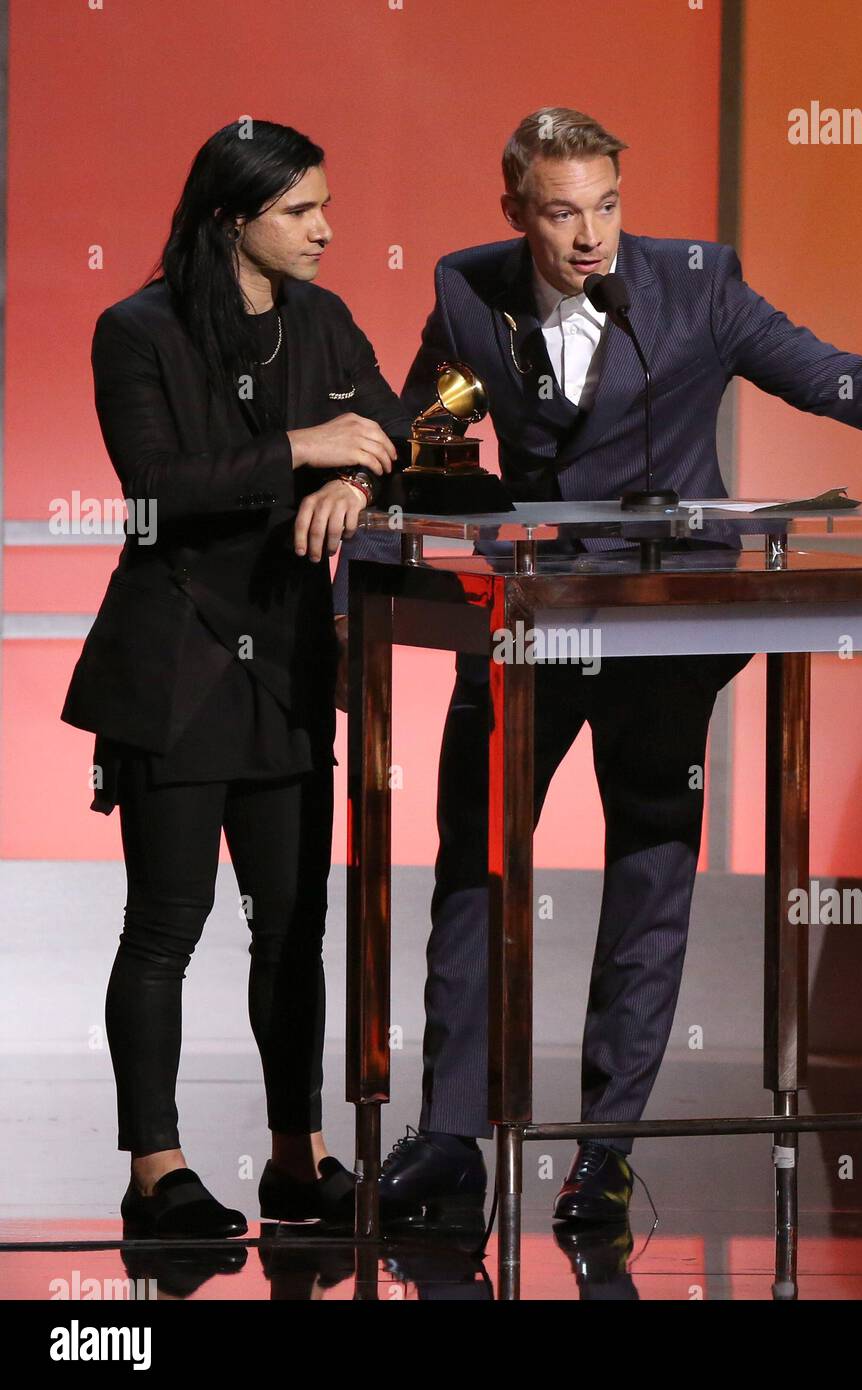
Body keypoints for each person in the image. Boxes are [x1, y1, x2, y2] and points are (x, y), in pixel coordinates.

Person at [333, 106, 862, 1227]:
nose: (590, 236)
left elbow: (826, 375)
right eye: (563, 211)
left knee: (651, 868)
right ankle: (451, 1141)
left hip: (668, 624)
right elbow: (423, 421)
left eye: (607, 206)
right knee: (471, 864)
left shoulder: (696, 283)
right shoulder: (468, 289)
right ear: (515, 206)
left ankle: (604, 1152)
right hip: (524, 617)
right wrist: (358, 467)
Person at [60, 118, 411, 1238]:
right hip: (173, 657)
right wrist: (308, 449)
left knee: (294, 923)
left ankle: (297, 1157)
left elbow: (391, 425)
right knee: (167, 921)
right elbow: (159, 484)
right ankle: (155, 1167)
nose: (325, 229)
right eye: (301, 211)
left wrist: (357, 485)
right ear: (232, 219)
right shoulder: (138, 328)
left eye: (323, 205)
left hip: (288, 658)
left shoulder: (325, 320)